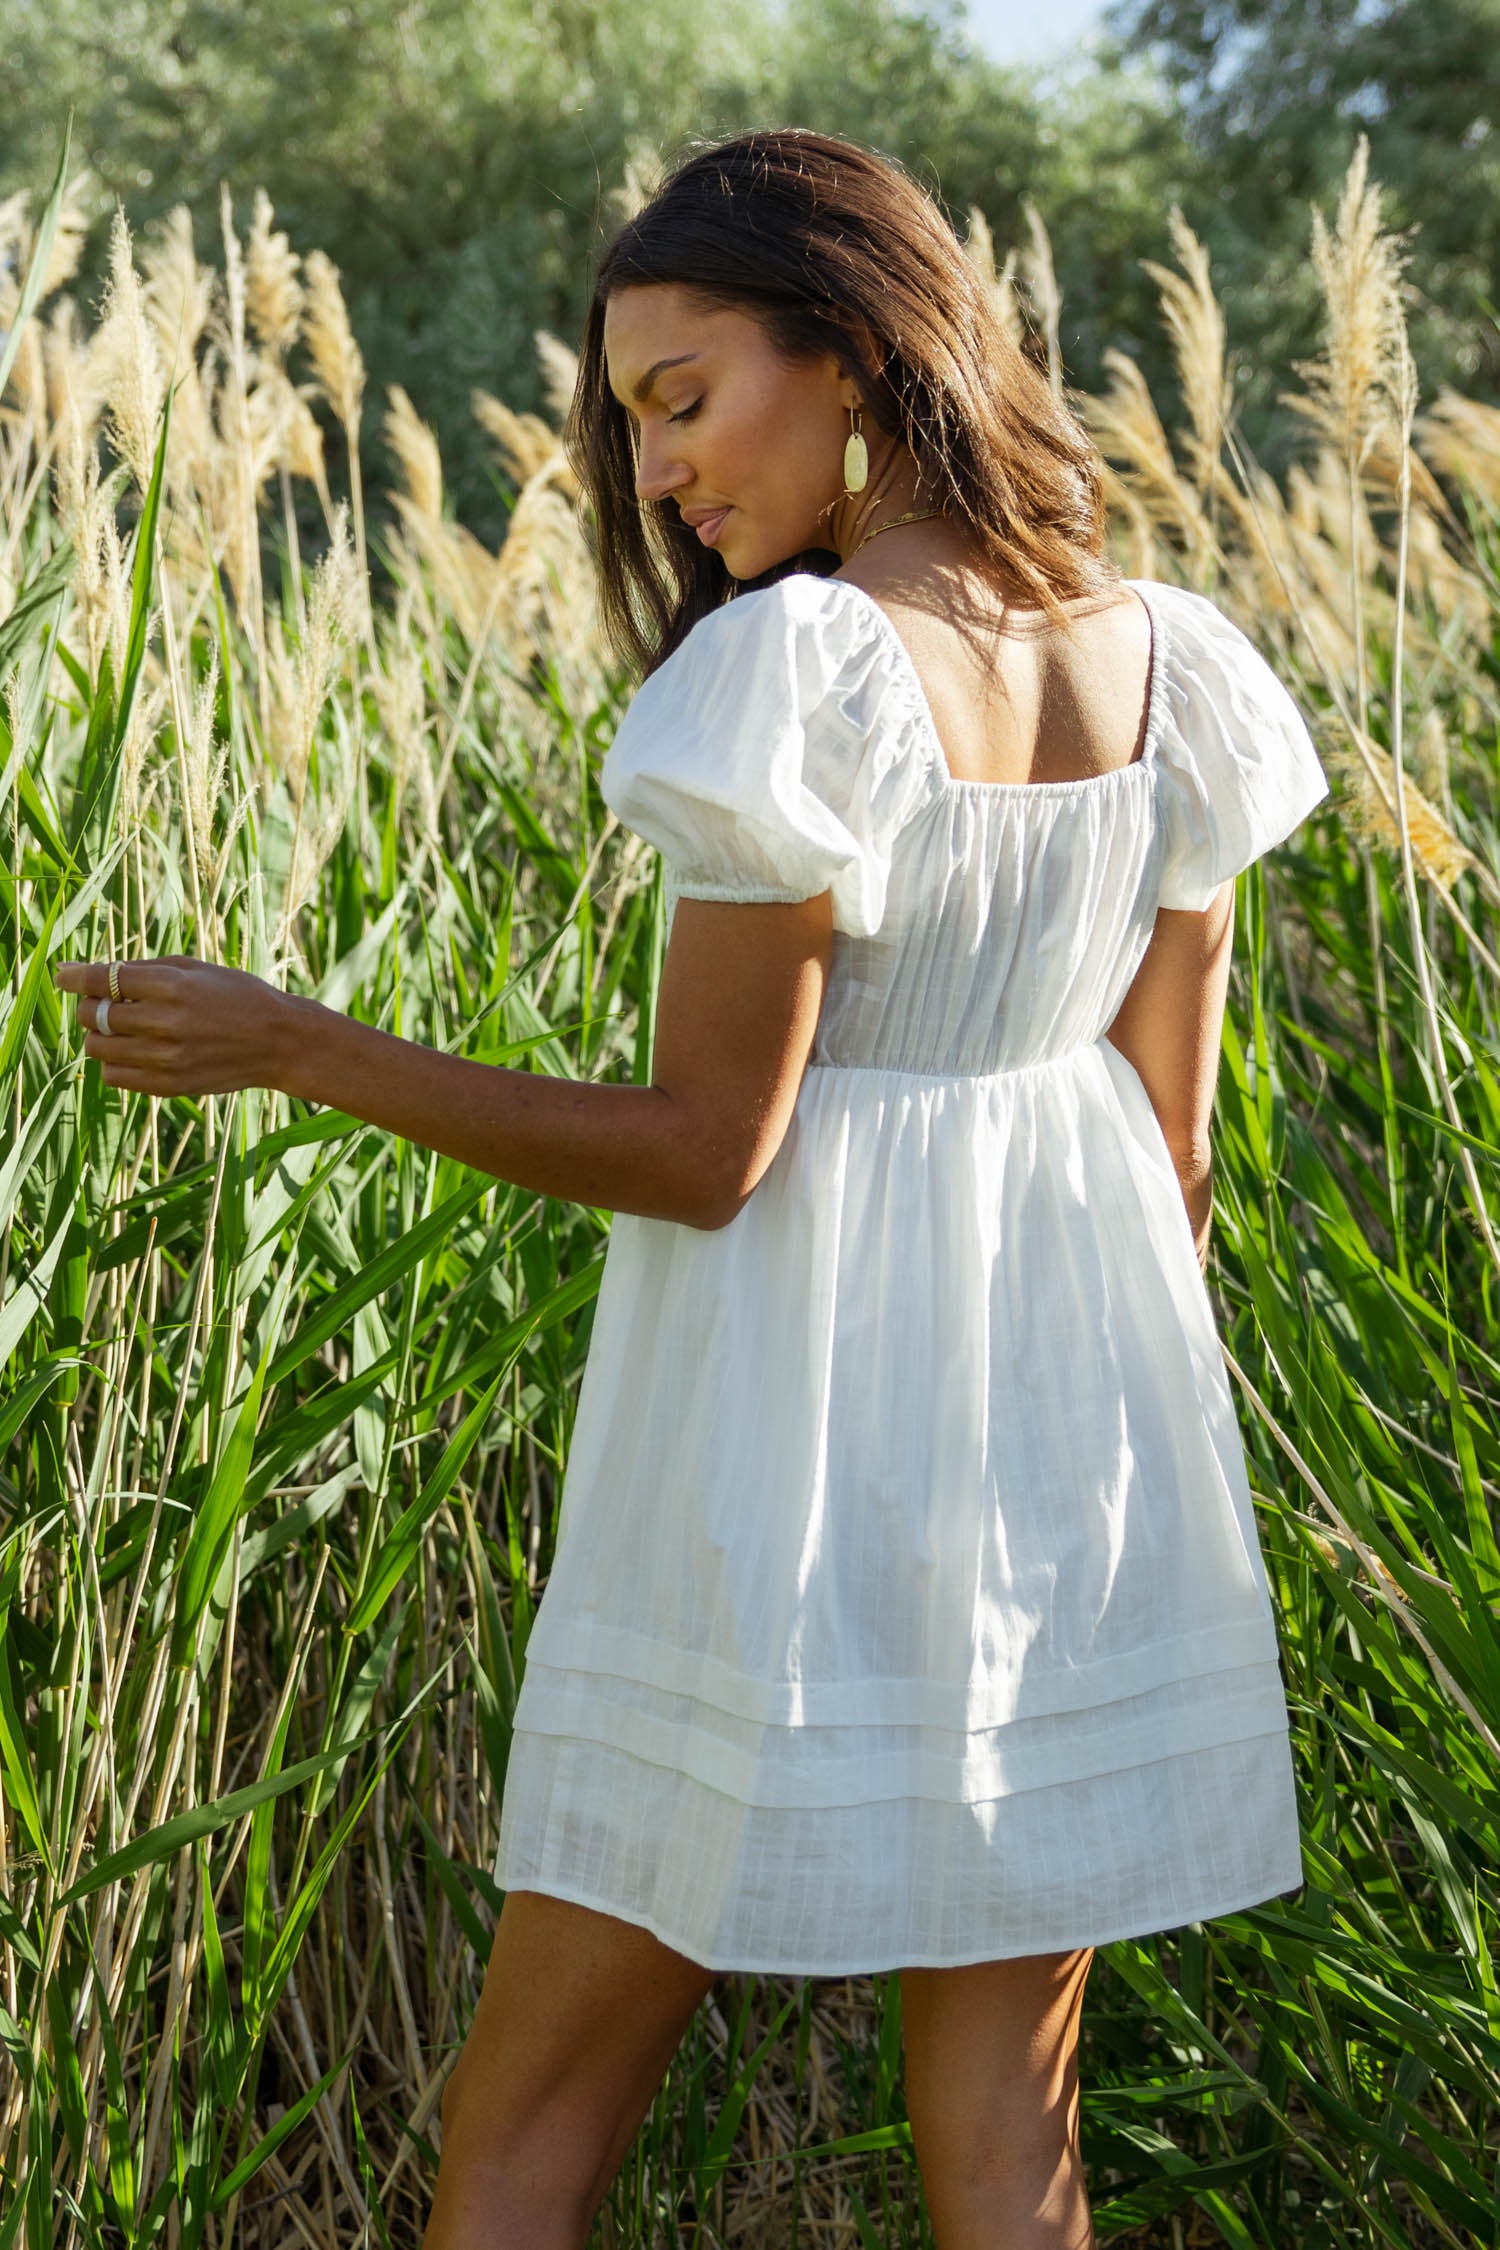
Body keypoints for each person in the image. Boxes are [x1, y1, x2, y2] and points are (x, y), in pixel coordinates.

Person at [57, 126, 1328, 2250]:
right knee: (1013, 2147)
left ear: (849, 356)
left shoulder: (798, 670)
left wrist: (298, 1042)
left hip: (774, 1472)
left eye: (682, 400)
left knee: (526, 2130)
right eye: (630, 426)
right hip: (1059, 1484)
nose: (654, 477)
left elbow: (709, 1157)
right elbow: (1170, 1151)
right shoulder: (1172, 663)